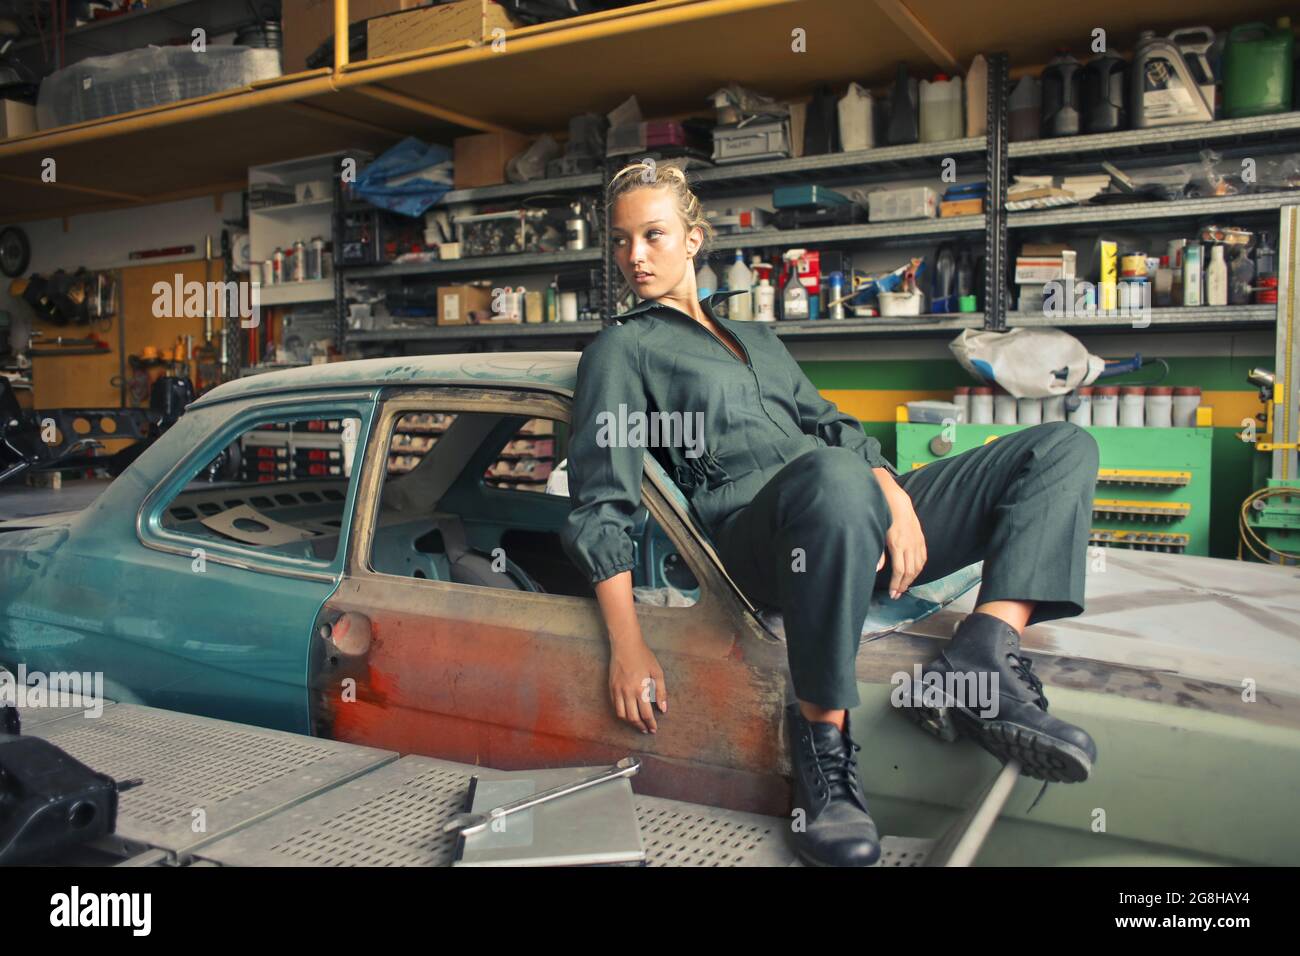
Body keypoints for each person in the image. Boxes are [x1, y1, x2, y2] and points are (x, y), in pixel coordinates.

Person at [559, 160, 1100, 867]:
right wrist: (627, 646)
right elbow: (603, 499)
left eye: (653, 235)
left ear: (694, 240)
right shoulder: (621, 349)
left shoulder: (758, 341)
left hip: (854, 508)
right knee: (834, 475)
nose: (634, 255)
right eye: (622, 241)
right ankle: (825, 755)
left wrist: (894, 491)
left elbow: (836, 426)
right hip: (761, 540)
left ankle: (983, 655)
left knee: (1060, 447)